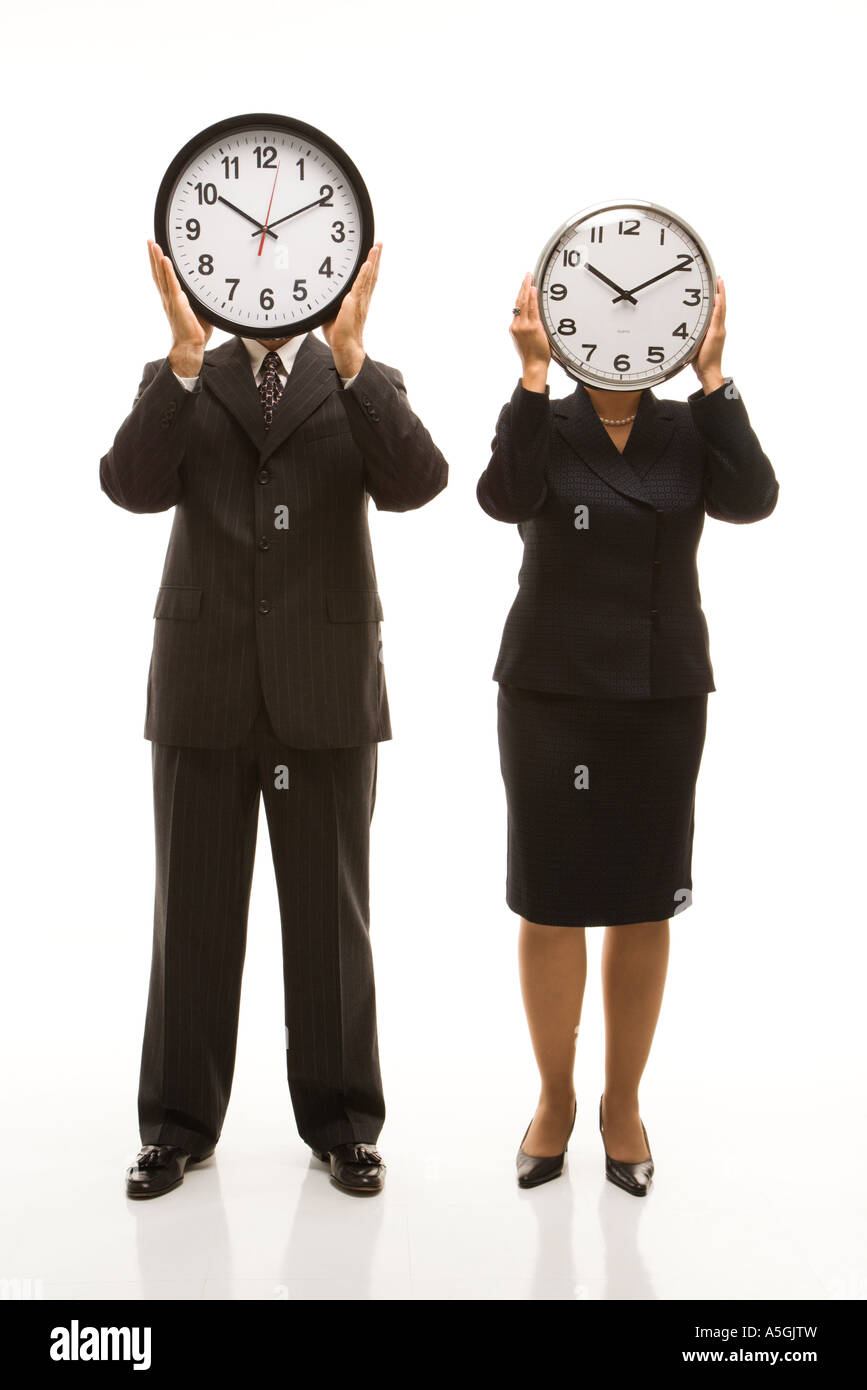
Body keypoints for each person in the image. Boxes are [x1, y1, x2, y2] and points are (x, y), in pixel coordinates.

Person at [100, 239, 448, 1198]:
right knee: (191, 918)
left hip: (324, 686)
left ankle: (343, 1125)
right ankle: (175, 1126)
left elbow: (419, 484)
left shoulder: (358, 376)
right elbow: (128, 486)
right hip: (204, 686)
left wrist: (353, 360)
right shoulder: (181, 374)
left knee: (332, 922)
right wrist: (177, 360)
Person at [477, 271, 778, 1194]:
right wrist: (530, 378)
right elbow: (500, 496)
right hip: (550, 689)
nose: (619, 325)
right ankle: (554, 1099)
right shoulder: (544, 417)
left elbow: (754, 499)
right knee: (551, 897)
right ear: (563, 325)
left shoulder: (690, 428)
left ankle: (622, 1103)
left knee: (645, 898)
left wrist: (715, 379)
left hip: (656, 691)